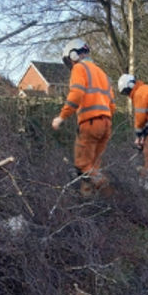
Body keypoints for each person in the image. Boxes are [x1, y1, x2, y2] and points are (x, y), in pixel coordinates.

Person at [51, 39, 115, 192]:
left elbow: (76, 94)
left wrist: (62, 117)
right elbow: (112, 105)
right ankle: (92, 201)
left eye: (69, 61)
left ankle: (112, 196)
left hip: (90, 123)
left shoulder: (79, 68)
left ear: (74, 55)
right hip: (106, 125)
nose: (71, 65)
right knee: (93, 168)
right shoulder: (102, 73)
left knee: (83, 166)